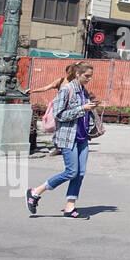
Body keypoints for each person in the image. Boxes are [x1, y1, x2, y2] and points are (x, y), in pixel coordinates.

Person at [26, 63, 99, 219]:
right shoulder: (66, 90)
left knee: (80, 173)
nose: (89, 79)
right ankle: (35, 192)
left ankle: (70, 208)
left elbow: (85, 112)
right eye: (87, 76)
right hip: (68, 137)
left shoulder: (83, 91)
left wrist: (91, 107)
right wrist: (82, 109)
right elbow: (58, 114)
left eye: (91, 76)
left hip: (82, 137)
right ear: (78, 74)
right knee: (71, 171)